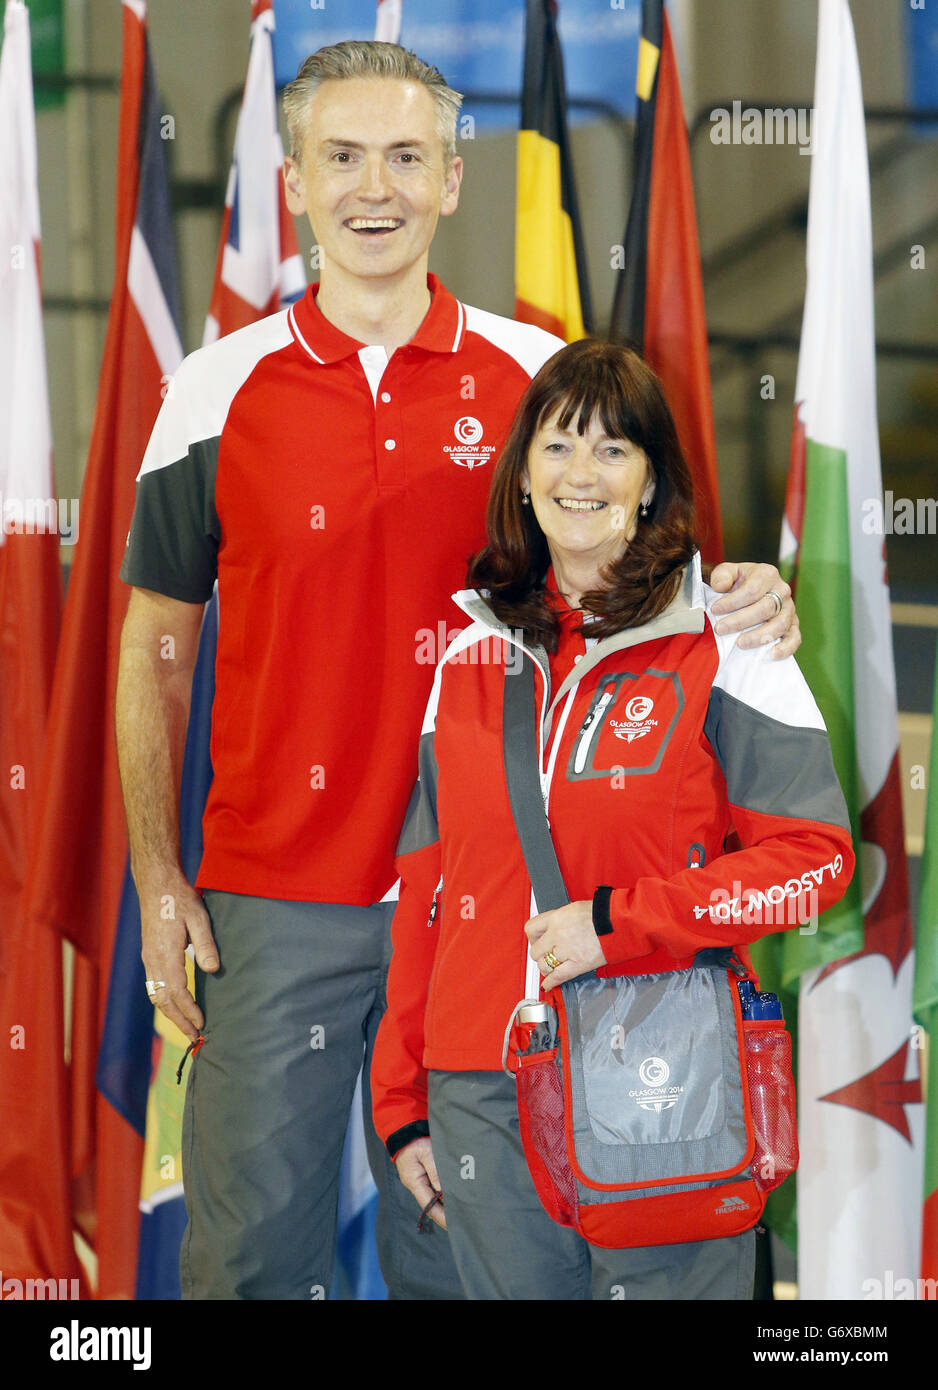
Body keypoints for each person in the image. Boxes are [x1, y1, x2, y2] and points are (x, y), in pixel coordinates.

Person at [115, 42, 800, 1301]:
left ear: (449, 181)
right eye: (341, 156)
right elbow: (154, 643)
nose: (373, 188)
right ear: (296, 177)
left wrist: (740, 593)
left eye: (407, 157)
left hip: (493, 900)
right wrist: (159, 876)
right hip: (278, 897)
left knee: (473, 1259)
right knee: (249, 1261)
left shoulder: (533, 373)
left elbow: (625, 563)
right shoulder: (209, 394)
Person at [370, 338, 854, 1301]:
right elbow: (428, 895)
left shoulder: (730, 637)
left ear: (650, 481)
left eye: (611, 449)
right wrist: (403, 1101)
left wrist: (616, 924)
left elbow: (815, 862)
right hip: (483, 1097)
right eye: (556, 446)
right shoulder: (466, 657)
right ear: (521, 477)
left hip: (663, 1076)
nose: (579, 474)